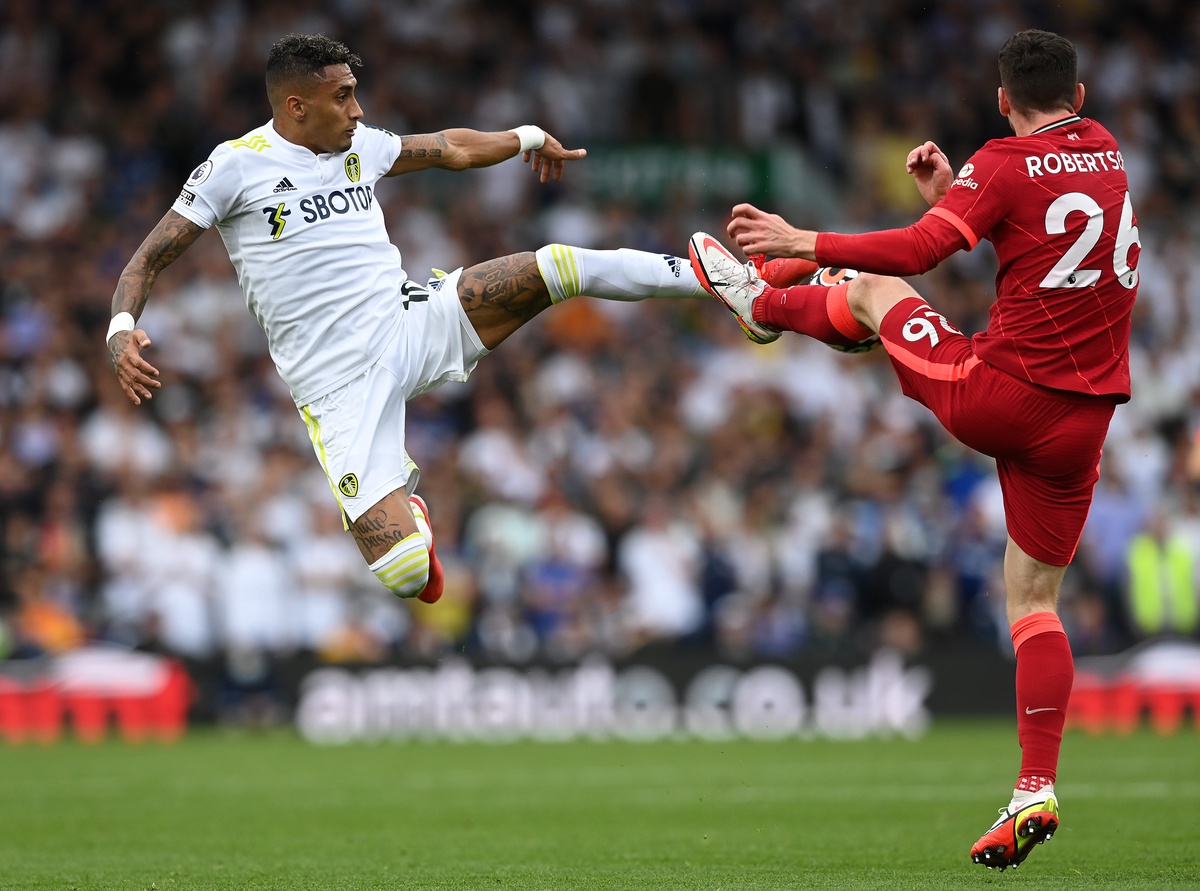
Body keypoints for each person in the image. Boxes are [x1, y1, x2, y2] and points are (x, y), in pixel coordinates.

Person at [689, 29, 1139, 870]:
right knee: (1034, 603)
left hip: (1002, 396)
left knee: (872, 289)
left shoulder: (1002, 163)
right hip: (1085, 421)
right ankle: (1034, 786)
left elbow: (922, 251)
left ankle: (762, 306)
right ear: (1078, 99)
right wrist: (959, 194)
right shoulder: (1107, 151)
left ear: (1002, 101)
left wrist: (802, 240)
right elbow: (1043, 232)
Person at [106, 33, 704, 608]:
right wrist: (120, 329)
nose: (357, 110)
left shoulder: (360, 146)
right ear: (296, 106)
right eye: (342, 96)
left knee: (555, 266)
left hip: (409, 322)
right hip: (337, 387)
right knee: (406, 573)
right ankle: (409, 518)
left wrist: (525, 137)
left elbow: (451, 148)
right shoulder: (235, 166)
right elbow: (147, 258)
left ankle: (715, 280)